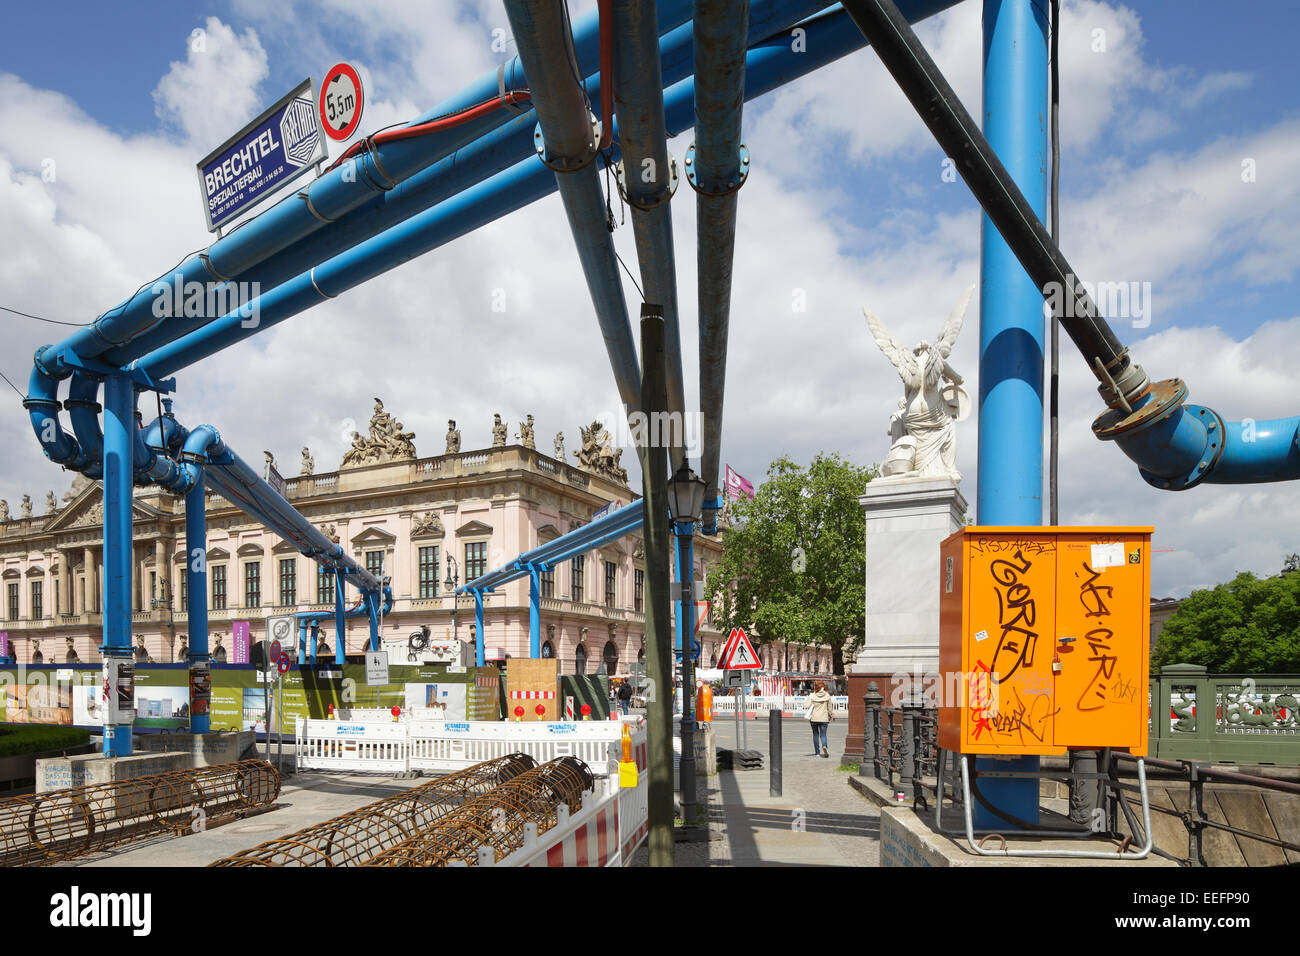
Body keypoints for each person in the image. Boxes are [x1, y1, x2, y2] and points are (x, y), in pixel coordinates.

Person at [806, 680, 834, 758]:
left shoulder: (812, 695)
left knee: (815, 735)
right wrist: (830, 715)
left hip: (814, 718)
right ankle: (824, 746)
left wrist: (812, 703)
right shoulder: (827, 695)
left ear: (815, 687)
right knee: (823, 735)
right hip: (824, 718)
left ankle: (817, 752)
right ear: (822, 686)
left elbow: (807, 706)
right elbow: (830, 708)